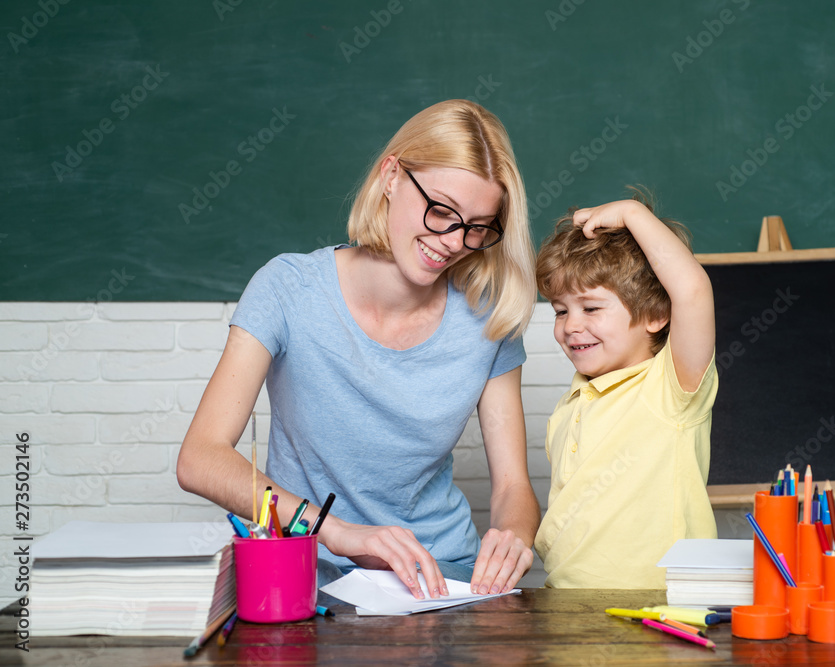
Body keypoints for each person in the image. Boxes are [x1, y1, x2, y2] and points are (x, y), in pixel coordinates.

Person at [177, 100, 540, 600]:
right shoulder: (288, 289)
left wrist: (514, 537)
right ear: (391, 176)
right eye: (441, 211)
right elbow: (200, 458)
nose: (454, 241)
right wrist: (339, 532)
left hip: (442, 576)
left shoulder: (488, 315)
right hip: (306, 571)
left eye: (477, 227)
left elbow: (512, 488)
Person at [532, 192, 718, 588]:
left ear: (655, 314)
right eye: (561, 310)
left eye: (591, 308)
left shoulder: (671, 388)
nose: (571, 326)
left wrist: (632, 214)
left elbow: (692, 290)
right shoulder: (571, 405)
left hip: (658, 610)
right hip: (570, 608)